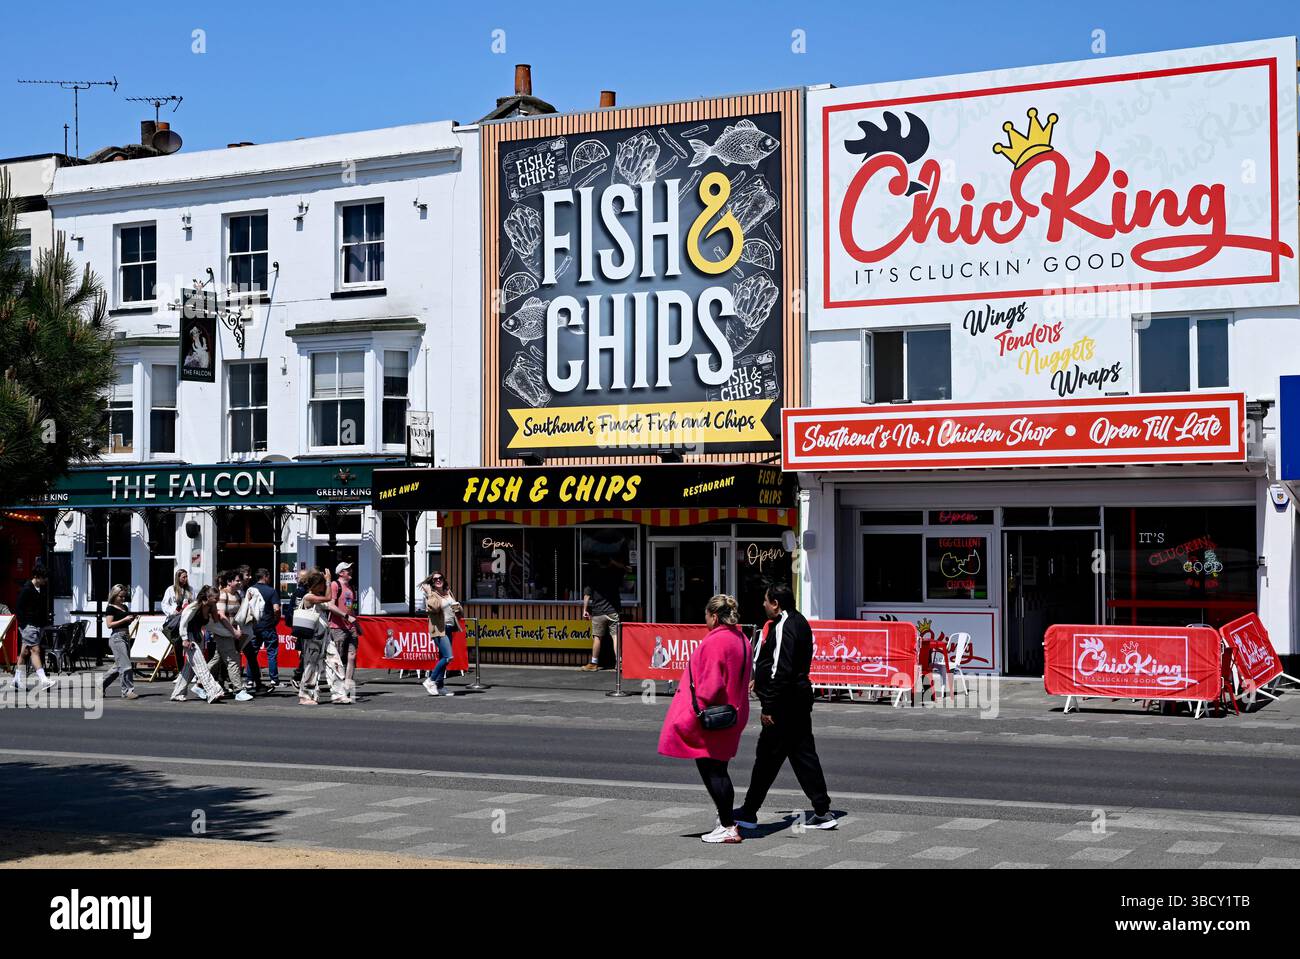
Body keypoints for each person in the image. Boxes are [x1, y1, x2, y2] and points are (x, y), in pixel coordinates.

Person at [733, 584, 838, 831]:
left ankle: (748, 812)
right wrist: (759, 679)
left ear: (776, 603)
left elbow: (782, 667)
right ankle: (822, 811)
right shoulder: (800, 622)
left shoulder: (785, 625)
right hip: (797, 701)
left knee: (767, 759)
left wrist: (768, 704)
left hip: (784, 705)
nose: (763, 605)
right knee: (803, 757)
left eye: (766, 601)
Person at [658, 594, 752, 844]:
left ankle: (727, 825)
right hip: (734, 712)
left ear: (713, 616)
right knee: (718, 768)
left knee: (713, 770)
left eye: (706, 615)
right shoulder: (742, 638)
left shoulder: (715, 642)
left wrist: (695, 707)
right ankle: (725, 820)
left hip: (714, 715)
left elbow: (710, 687)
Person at [297, 570, 354, 706]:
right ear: (316, 585)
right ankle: (305, 696)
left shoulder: (317, 597)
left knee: (335, 663)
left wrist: (346, 616)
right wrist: (329, 580)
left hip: (325, 638)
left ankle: (339, 694)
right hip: (313, 639)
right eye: (322, 584)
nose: (324, 587)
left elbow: (330, 606)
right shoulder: (308, 597)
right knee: (312, 667)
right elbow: (329, 598)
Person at [171, 587, 225, 704]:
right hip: (189, 638)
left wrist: (230, 633)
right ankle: (213, 692)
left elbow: (213, 625)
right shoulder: (195, 606)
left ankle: (177, 693)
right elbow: (183, 622)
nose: (218, 600)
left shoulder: (210, 607)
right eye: (216, 598)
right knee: (201, 666)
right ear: (208, 597)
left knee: (189, 669)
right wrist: (184, 639)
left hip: (197, 637)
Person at [206, 569, 253, 702]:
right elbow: (220, 615)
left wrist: (239, 630)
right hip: (223, 632)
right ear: (229, 582)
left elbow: (238, 615)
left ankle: (199, 683)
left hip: (232, 632)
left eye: (239, 580)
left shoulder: (237, 595)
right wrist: (233, 631)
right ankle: (238, 690)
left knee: (217, 659)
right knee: (233, 659)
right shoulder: (223, 595)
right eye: (237, 580)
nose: (239, 582)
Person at [11, 569, 56, 695]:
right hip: (29, 626)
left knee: (24, 652)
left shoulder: (40, 589)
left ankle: (17, 679)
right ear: (37, 576)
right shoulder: (26, 589)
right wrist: (25, 625)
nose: (45, 580)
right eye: (44, 578)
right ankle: (43, 680)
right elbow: (19, 609)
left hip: (37, 626)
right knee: (35, 651)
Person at [419, 570, 461, 697]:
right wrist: (430, 593)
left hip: (448, 627)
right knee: (448, 657)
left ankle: (440, 686)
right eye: (435, 579)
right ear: (432, 582)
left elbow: (454, 609)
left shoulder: (447, 592)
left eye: (440, 578)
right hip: (439, 630)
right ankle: (430, 680)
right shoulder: (432, 595)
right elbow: (435, 607)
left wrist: (457, 607)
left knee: (442, 657)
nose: (438, 580)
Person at [580, 554, 626, 672]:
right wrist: (614, 563)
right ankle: (619, 663)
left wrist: (585, 610)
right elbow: (627, 568)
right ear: (609, 562)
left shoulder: (593, 575)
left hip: (598, 611)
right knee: (615, 636)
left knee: (597, 637)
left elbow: (587, 595)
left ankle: (594, 663)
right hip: (613, 611)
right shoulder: (615, 573)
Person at [243, 568, 282, 692]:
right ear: (265, 576)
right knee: (271, 652)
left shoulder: (250, 590)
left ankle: (250, 679)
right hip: (267, 625)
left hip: (254, 626)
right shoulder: (272, 591)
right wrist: (275, 621)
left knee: (252, 654)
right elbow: (276, 609)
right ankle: (273, 679)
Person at [101, 584, 140, 700]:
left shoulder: (125, 608)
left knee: (119, 667)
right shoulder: (110, 608)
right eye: (120, 597)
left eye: (124, 597)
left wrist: (131, 619)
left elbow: (125, 623)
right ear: (114, 595)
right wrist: (124, 619)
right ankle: (127, 691)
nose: (123, 599)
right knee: (126, 665)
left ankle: (100, 685)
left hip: (125, 636)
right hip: (117, 637)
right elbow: (109, 624)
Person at [328, 562, 359, 697]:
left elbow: (352, 607)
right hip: (337, 627)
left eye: (350, 569)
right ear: (341, 573)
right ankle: (337, 687)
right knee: (338, 659)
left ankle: (348, 685)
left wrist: (357, 624)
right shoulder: (335, 585)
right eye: (348, 570)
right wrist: (345, 616)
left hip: (351, 627)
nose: (350, 571)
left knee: (352, 656)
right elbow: (330, 606)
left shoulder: (351, 587)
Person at [289, 568, 310, 690]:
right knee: (304, 653)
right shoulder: (300, 592)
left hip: (305, 625)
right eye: (298, 577)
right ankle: (299, 676)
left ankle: (303, 676)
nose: (298, 579)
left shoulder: (304, 591)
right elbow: (294, 610)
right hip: (302, 625)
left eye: (300, 578)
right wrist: (294, 629)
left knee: (304, 653)